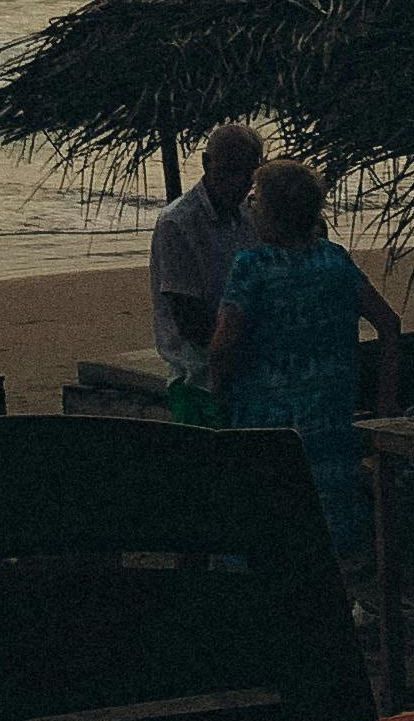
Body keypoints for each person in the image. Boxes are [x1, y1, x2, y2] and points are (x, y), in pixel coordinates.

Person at [207, 158, 399, 560]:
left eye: (257, 201)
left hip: (268, 425)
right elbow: (389, 325)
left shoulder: (252, 269)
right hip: (331, 420)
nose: (251, 208)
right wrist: (385, 404)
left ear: (274, 212)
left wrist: (219, 393)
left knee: (265, 532)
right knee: (329, 536)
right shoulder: (335, 261)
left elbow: (224, 345)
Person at [152, 124, 263, 424]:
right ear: (206, 163)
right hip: (197, 377)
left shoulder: (251, 217)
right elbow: (190, 321)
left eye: (245, 172)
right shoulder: (177, 223)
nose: (236, 182)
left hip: (247, 368)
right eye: (227, 171)